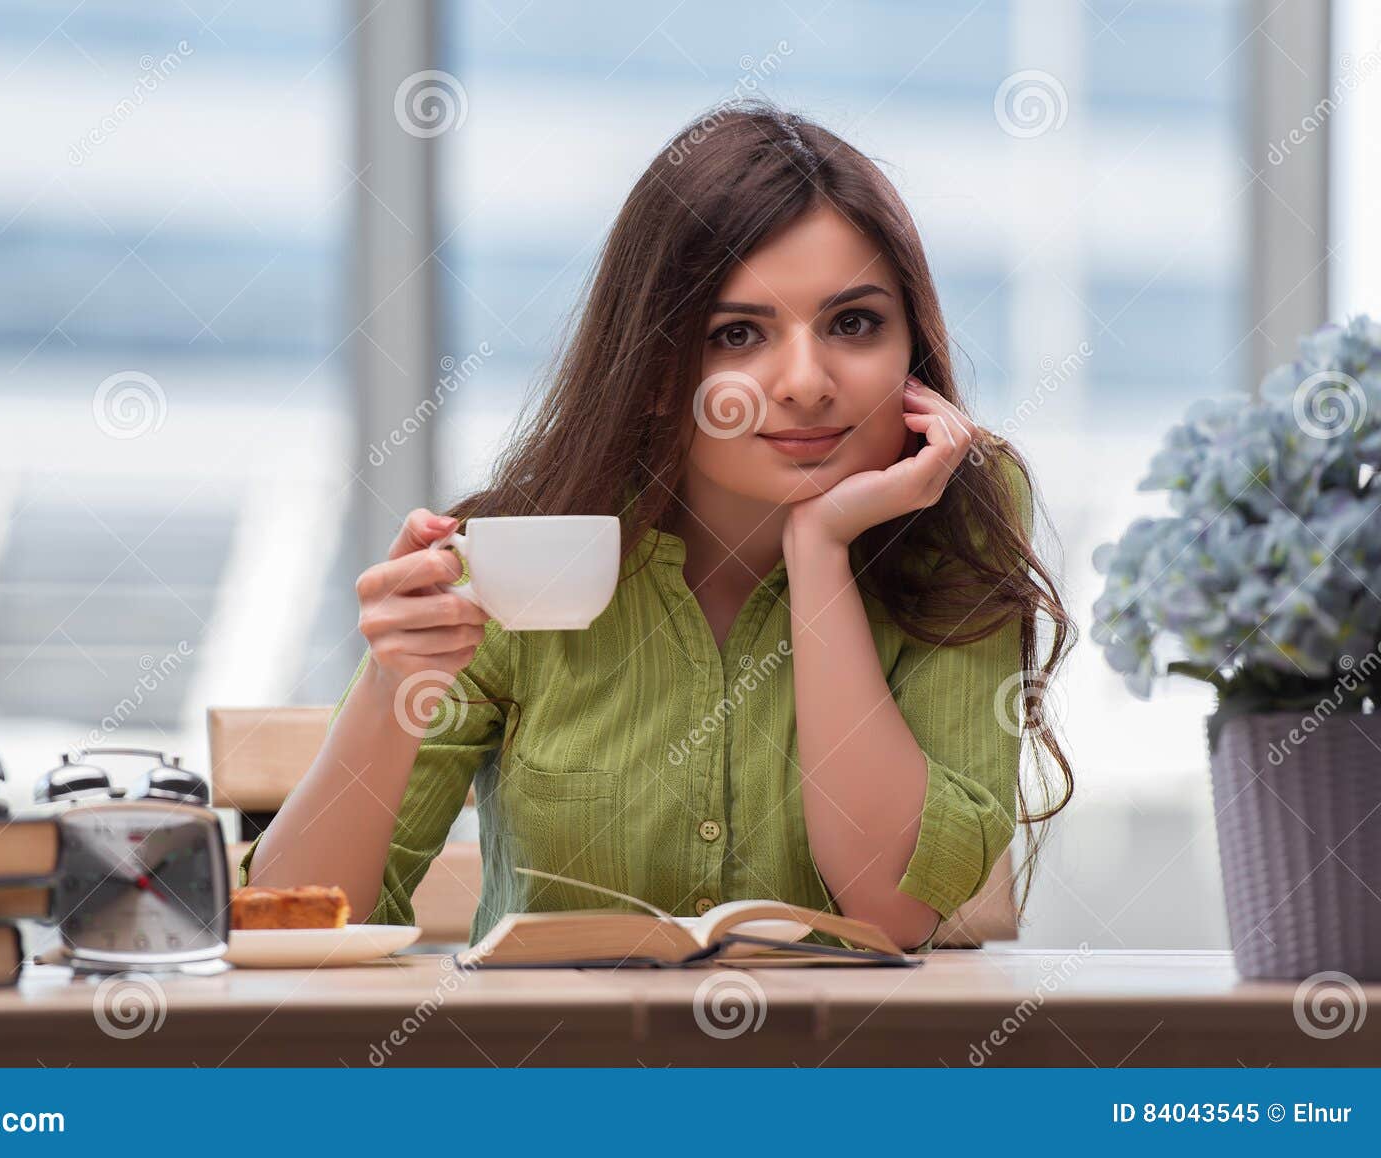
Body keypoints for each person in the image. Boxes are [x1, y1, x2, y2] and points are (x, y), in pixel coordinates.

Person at [242, 103, 1075, 953]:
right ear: (649, 370)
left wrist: (819, 549)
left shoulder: (955, 523)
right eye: (737, 334)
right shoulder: (519, 553)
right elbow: (300, 926)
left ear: (912, 354)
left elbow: (889, 911)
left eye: (852, 324)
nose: (804, 382)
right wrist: (391, 690)